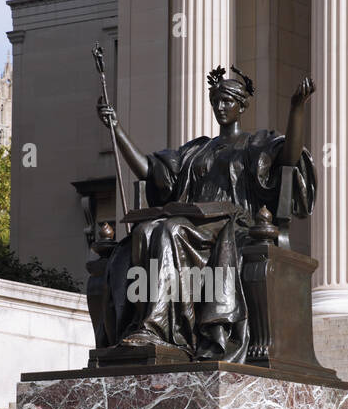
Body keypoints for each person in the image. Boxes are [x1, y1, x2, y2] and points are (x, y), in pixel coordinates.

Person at [95, 65, 316, 360]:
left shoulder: (256, 143)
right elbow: (150, 170)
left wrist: (296, 109)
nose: (220, 107)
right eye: (216, 101)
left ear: (242, 106)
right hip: (193, 222)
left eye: (227, 101)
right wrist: (116, 129)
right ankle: (144, 328)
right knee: (147, 231)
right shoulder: (196, 150)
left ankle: (159, 329)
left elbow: (290, 155)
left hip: (231, 226)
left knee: (170, 230)